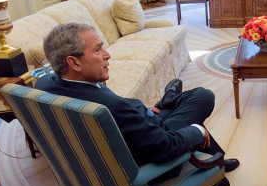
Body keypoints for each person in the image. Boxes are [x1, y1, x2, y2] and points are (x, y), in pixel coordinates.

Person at [36, 22, 239, 174]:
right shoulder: (113, 108)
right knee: (203, 98)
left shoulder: (44, 85)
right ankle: (215, 160)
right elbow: (166, 147)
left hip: (138, 127)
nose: (107, 54)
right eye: (97, 49)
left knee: (196, 99)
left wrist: (141, 110)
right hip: (153, 146)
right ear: (74, 63)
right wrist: (197, 131)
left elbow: (115, 109)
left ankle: (171, 101)